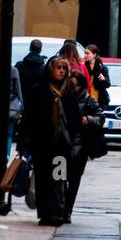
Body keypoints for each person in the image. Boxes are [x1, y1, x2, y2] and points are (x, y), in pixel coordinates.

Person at [19, 56, 80, 226]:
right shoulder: (39, 90)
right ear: (50, 69)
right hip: (42, 144)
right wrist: (25, 140)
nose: (61, 71)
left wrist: (73, 138)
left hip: (61, 145)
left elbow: (75, 117)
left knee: (59, 179)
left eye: (64, 68)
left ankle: (58, 213)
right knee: (43, 179)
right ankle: (45, 213)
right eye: (58, 67)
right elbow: (29, 117)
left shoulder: (69, 92)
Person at [65, 72, 106, 222]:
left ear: (81, 85)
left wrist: (89, 119)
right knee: (61, 178)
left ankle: (67, 211)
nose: (73, 88)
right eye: (71, 85)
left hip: (80, 147)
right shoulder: (63, 98)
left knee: (74, 180)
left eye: (76, 85)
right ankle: (60, 208)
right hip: (63, 146)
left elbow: (101, 117)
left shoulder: (89, 100)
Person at [8, 66, 23, 158]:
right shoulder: (13, 70)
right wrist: (22, 108)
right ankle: (7, 156)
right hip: (12, 108)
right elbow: (18, 90)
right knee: (9, 134)